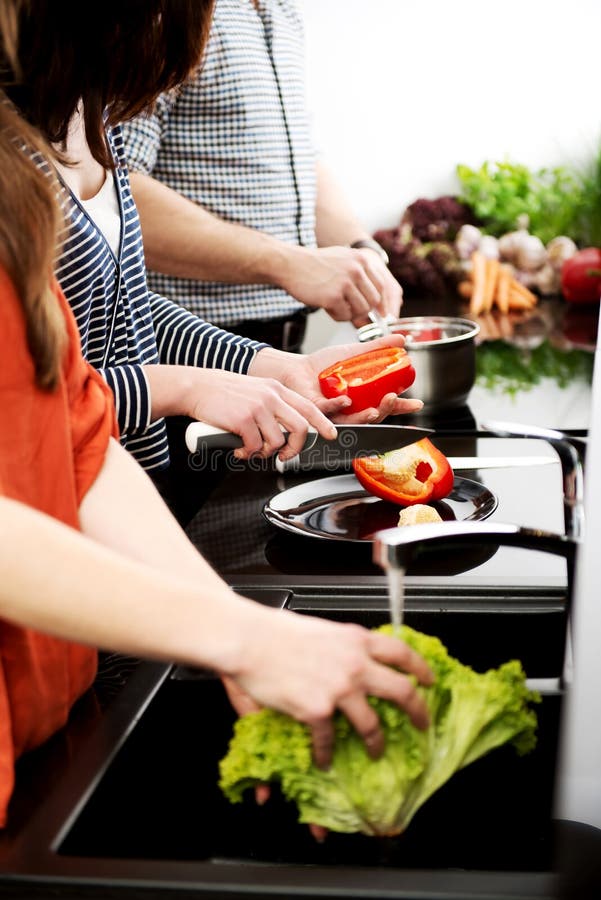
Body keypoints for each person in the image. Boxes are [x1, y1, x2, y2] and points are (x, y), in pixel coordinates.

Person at [0, 21, 433, 828]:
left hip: (78, 620)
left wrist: (254, 367)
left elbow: (88, 396)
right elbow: (47, 429)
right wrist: (239, 636)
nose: (184, 55)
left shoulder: (80, 133)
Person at [122, 0, 403, 352]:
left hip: (282, 343)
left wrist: (362, 249)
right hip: (191, 343)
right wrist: (287, 263)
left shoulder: (282, 13)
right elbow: (115, 189)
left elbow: (301, 159)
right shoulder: (167, 12)